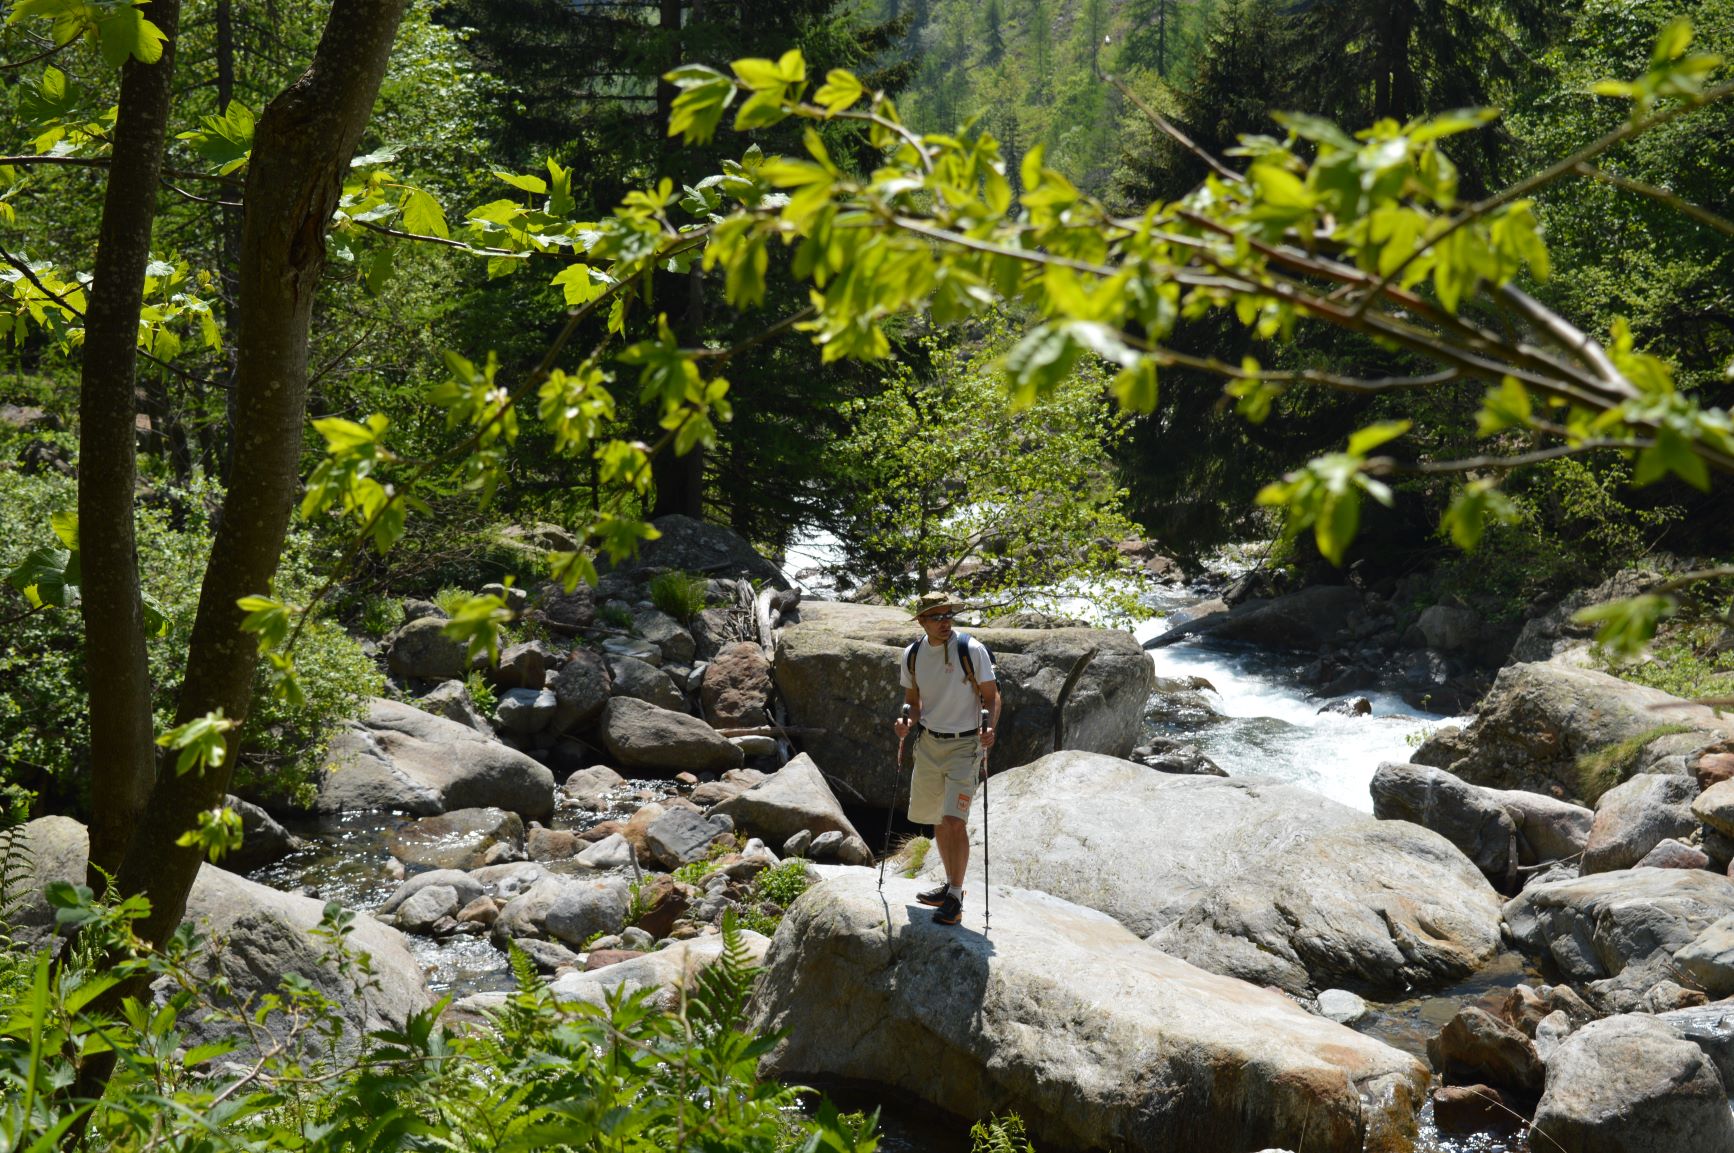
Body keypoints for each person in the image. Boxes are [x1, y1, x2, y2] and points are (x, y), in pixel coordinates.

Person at [893, 591, 1000, 926]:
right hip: (928, 745)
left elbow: (993, 696)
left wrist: (989, 731)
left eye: (948, 615)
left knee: (955, 820)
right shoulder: (912, 655)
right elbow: (913, 699)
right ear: (922, 621)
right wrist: (907, 722)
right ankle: (949, 889)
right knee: (939, 819)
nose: (944, 622)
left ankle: (955, 894)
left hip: (965, 746)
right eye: (936, 617)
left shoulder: (971, 649)